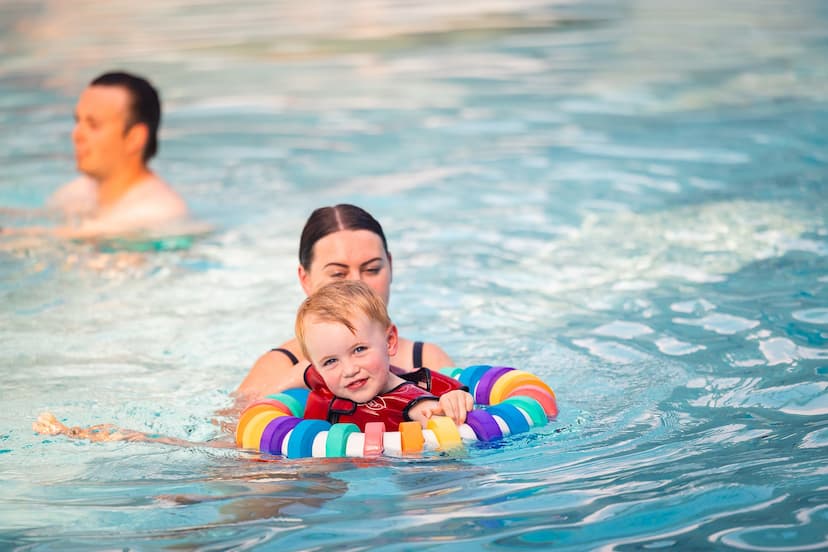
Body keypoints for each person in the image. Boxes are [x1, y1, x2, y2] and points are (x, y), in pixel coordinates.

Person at [236, 204, 454, 404]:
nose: (357, 284)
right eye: (338, 273)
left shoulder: (426, 359)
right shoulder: (280, 367)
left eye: (372, 269)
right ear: (305, 279)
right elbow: (233, 426)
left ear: (390, 267)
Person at [5, 71, 188, 239]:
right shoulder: (79, 190)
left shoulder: (159, 212)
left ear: (134, 138)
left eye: (93, 125)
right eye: (78, 121)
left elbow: (45, 240)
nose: (77, 135)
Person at [295, 280, 472, 429]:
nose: (349, 370)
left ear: (389, 341)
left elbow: (433, 415)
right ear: (316, 366)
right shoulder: (321, 381)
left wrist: (452, 404)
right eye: (330, 361)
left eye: (359, 350)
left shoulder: (414, 404)